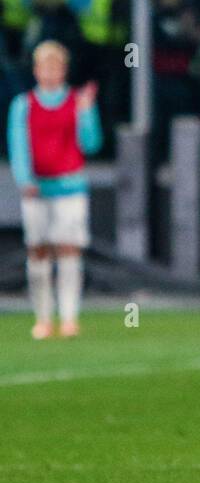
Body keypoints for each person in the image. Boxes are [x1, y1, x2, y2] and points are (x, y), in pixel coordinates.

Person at [7, 40, 102, 339]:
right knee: (38, 251)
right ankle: (43, 317)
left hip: (70, 186)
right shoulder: (23, 104)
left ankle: (70, 316)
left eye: (55, 66)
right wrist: (25, 180)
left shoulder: (76, 101)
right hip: (38, 189)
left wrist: (86, 112)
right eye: (44, 66)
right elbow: (18, 144)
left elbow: (91, 143)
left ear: (63, 70)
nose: (49, 72)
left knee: (68, 247)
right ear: (36, 70)